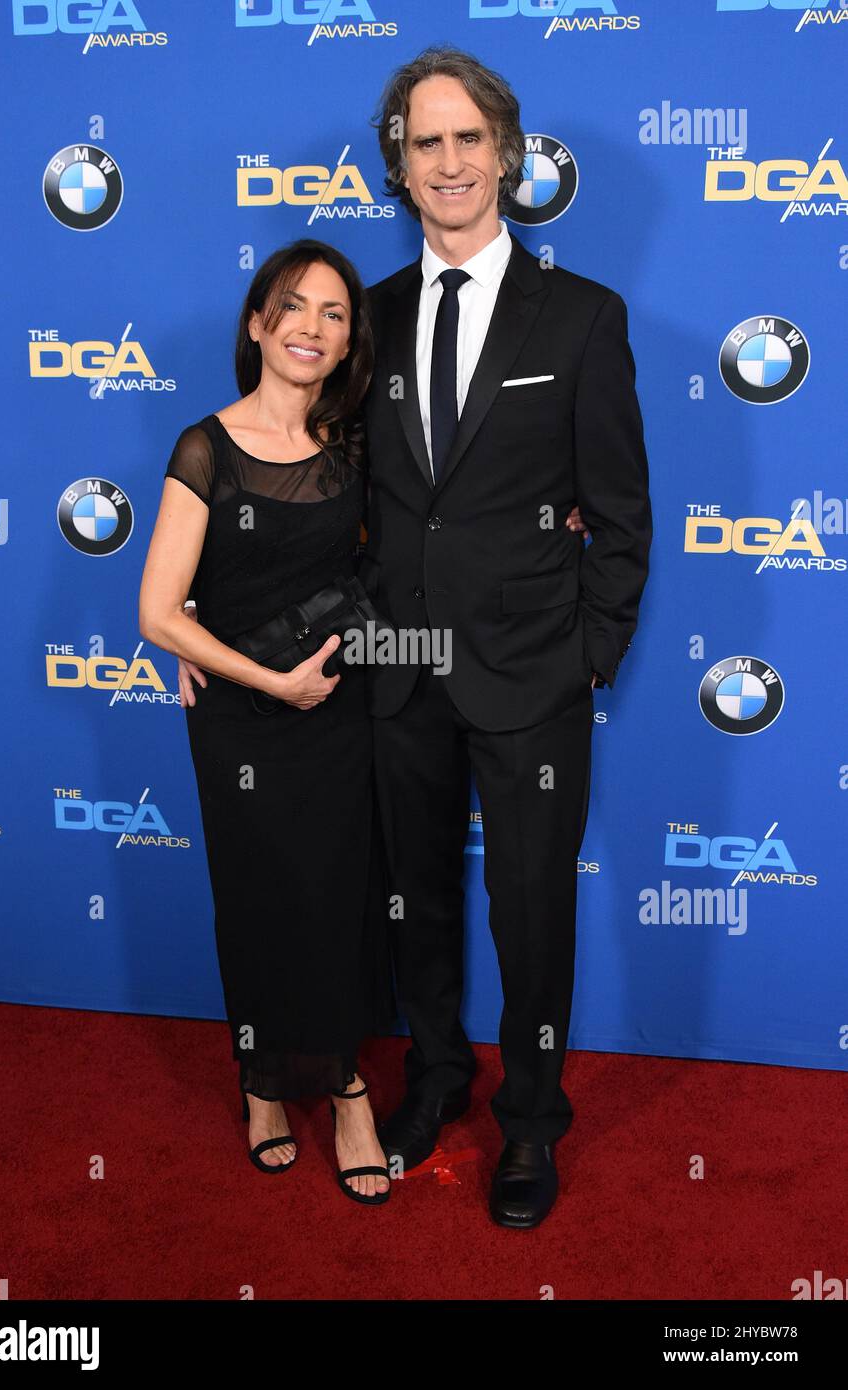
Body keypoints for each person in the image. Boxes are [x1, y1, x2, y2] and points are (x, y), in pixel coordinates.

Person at [359, 47, 653, 1228]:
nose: (448, 162)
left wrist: (589, 655)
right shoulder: (364, 318)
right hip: (395, 668)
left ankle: (531, 1120)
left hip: (535, 671)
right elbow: (341, 501)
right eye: (424, 143)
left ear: (508, 152)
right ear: (400, 165)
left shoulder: (583, 316)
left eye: (466, 138)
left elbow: (623, 516)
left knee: (533, 911)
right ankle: (436, 1077)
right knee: (415, 899)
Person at [139, 242, 394, 1204]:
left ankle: (347, 1082)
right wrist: (259, 679)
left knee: (338, 897)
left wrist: (566, 510)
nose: (311, 327)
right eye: (293, 307)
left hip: (342, 715)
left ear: (346, 341)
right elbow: (159, 612)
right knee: (256, 898)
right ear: (257, 323)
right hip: (245, 721)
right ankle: (261, 1083)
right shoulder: (202, 447)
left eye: (333, 314)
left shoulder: (353, 446)